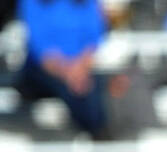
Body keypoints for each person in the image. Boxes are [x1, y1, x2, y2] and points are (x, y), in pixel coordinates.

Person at [15, 0, 109, 138]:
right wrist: (69, 73)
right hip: (42, 72)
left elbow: (94, 39)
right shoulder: (34, 3)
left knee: (91, 92)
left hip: (79, 71)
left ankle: (96, 135)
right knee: (80, 96)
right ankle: (97, 135)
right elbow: (40, 48)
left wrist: (78, 70)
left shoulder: (87, 3)